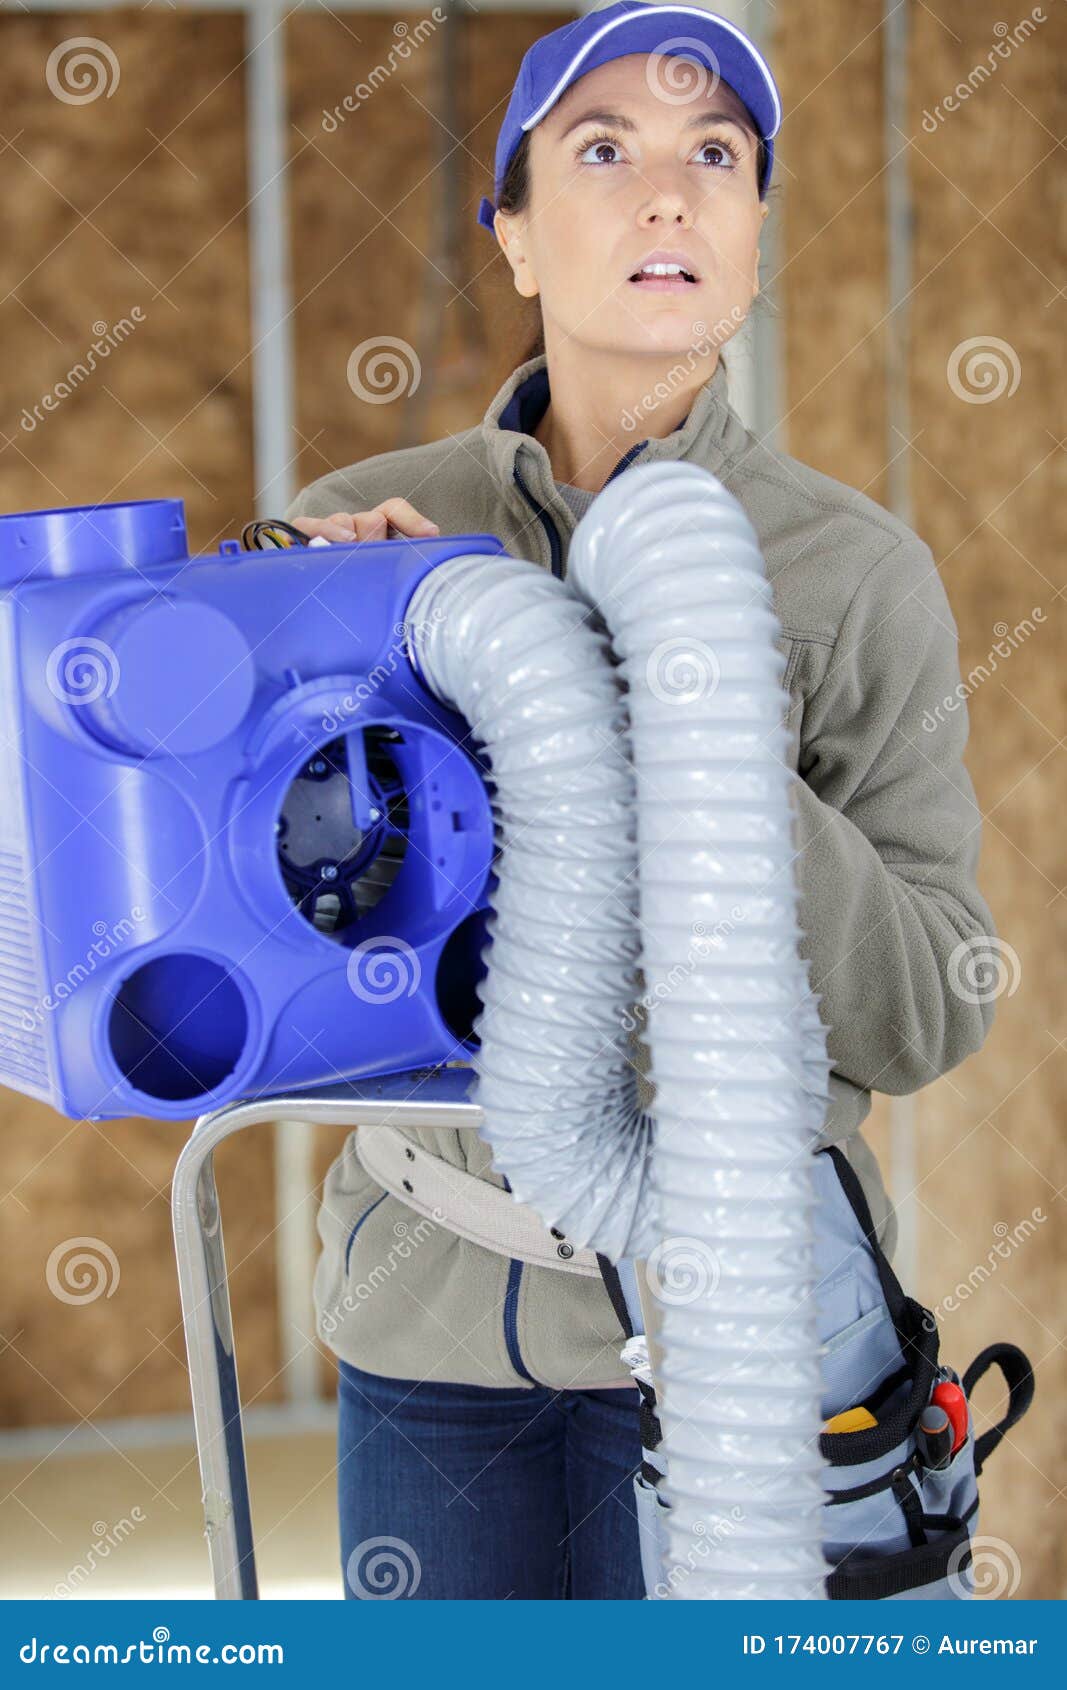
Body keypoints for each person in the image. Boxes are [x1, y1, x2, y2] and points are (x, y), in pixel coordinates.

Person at [285, 2, 996, 1601]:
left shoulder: (857, 576)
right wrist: (330, 694)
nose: (667, 192)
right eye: (603, 150)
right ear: (516, 234)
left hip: (747, 1326)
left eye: (715, 156)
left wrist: (710, 746)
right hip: (427, 1330)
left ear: (753, 234)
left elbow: (934, 1004)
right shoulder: (368, 541)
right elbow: (260, 986)